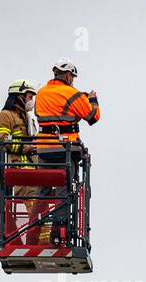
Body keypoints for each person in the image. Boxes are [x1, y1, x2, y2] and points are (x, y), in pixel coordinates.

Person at [34, 59, 101, 243]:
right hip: (65, 150)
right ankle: (58, 234)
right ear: (69, 75)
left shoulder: (41, 93)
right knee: (63, 191)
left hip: (44, 149)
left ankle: (32, 233)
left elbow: (46, 114)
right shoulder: (72, 94)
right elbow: (92, 117)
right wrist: (92, 100)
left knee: (43, 190)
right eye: (73, 76)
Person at [0, 80, 39, 244]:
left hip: (35, 170)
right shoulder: (4, 116)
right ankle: (37, 241)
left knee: (42, 206)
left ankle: (43, 240)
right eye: (29, 95)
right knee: (36, 208)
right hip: (20, 171)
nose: (31, 99)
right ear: (19, 96)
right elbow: (0, 141)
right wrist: (26, 148)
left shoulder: (28, 119)